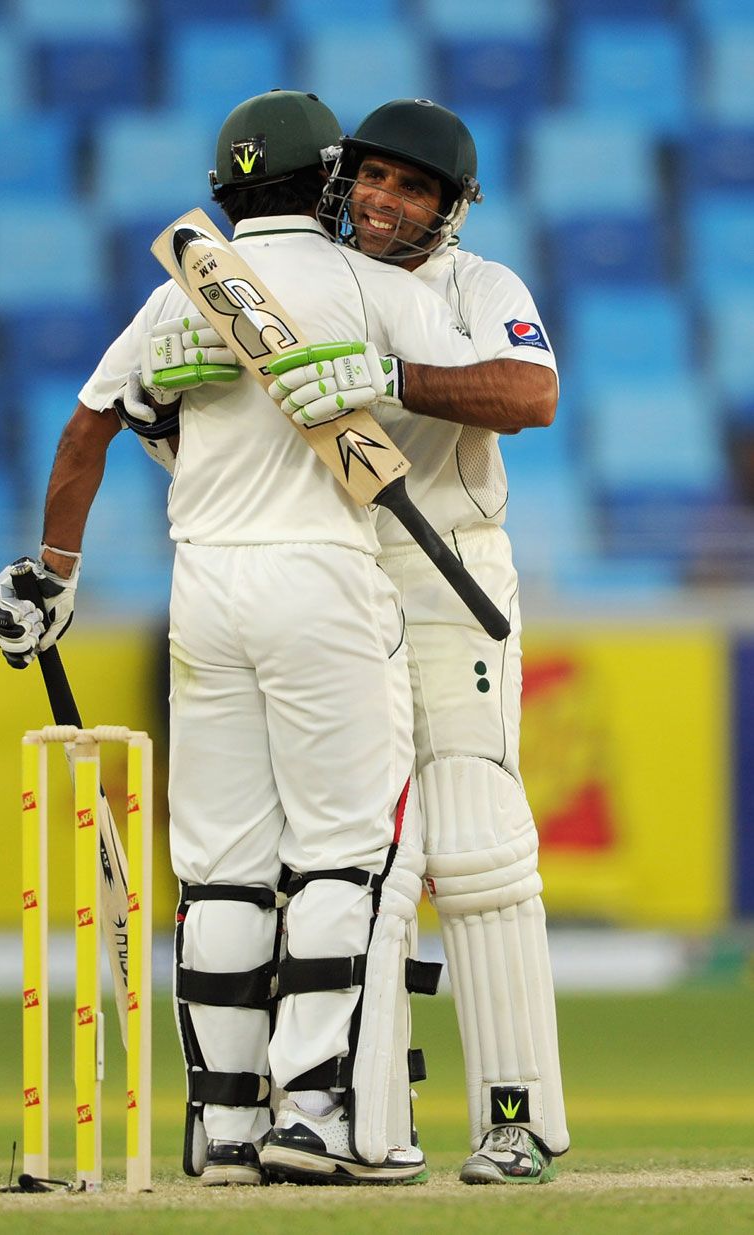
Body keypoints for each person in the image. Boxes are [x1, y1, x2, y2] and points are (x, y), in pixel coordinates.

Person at [0, 89, 483, 1187]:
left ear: (225, 189)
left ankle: (222, 1127)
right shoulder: (368, 281)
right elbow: (506, 390)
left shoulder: (176, 297)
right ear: (329, 182)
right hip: (321, 579)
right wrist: (389, 368)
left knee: (219, 870)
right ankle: (311, 1113)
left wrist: (52, 572)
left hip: (201, 586)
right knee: (341, 853)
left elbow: (84, 431)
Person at [267, 98, 568, 1184]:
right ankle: (356, 1117)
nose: (387, 202)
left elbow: (531, 395)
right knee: (347, 858)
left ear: (449, 208)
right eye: (375, 180)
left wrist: (390, 377)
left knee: (478, 842)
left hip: (450, 573)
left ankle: (518, 1116)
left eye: (414, 188)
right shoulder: (302, 278)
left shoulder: (481, 287)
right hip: (332, 576)